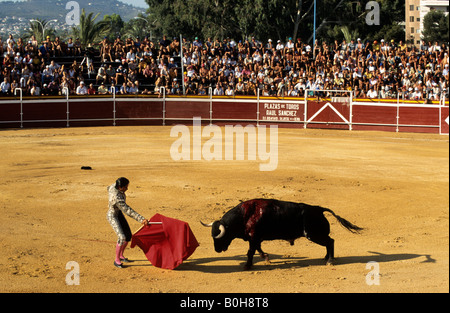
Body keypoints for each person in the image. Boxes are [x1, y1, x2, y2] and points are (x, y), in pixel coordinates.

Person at [107, 177, 149, 268]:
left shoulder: (114, 186)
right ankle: (116, 260)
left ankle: (121, 255)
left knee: (128, 236)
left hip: (118, 213)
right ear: (120, 187)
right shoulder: (117, 199)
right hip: (113, 216)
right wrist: (141, 219)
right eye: (125, 187)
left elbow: (108, 188)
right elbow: (128, 211)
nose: (127, 189)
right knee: (122, 237)